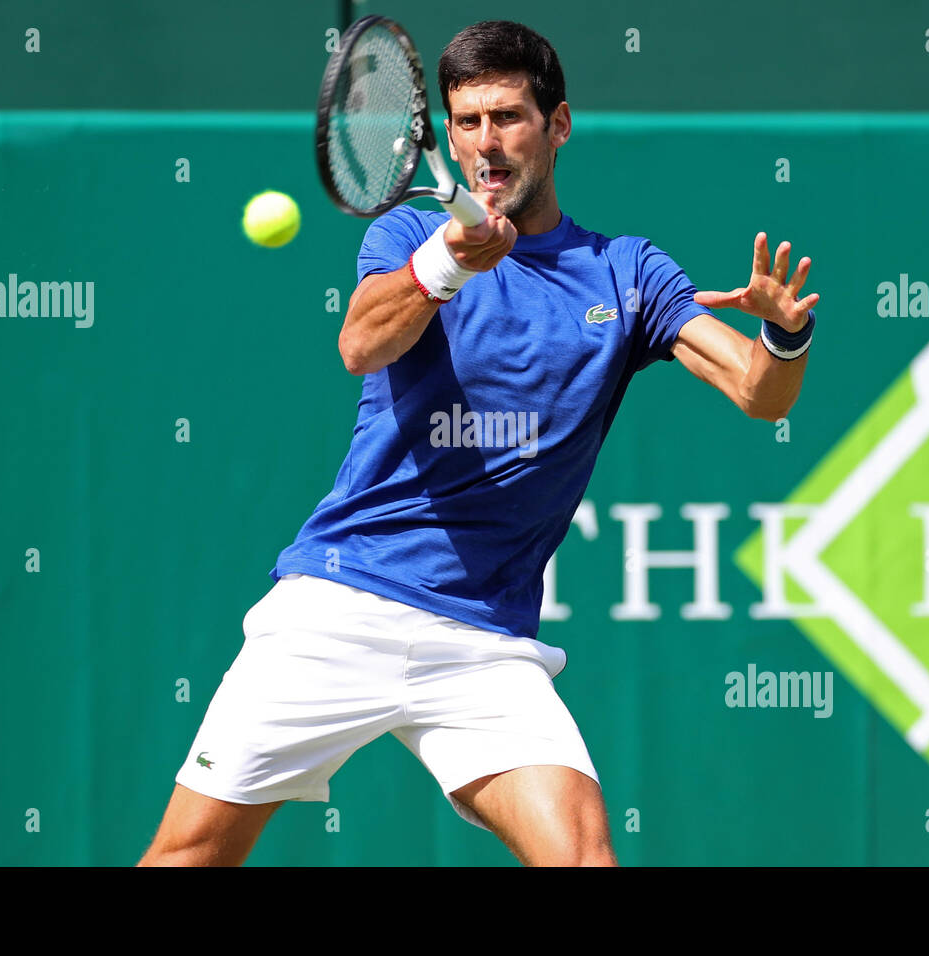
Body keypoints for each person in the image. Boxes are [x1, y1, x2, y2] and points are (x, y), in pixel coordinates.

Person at [139, 19, 817, 867]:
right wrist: (447, 264)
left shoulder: (628, 272)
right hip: (345, 601)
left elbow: (759, 393)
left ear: (558, 124)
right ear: (447, 135)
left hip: (484, 642)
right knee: (189, 855)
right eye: (466, 123)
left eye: (507, 117)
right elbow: (360, 343)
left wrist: (785, 339)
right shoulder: (405, 238)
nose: (486, 145)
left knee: (585, 859)